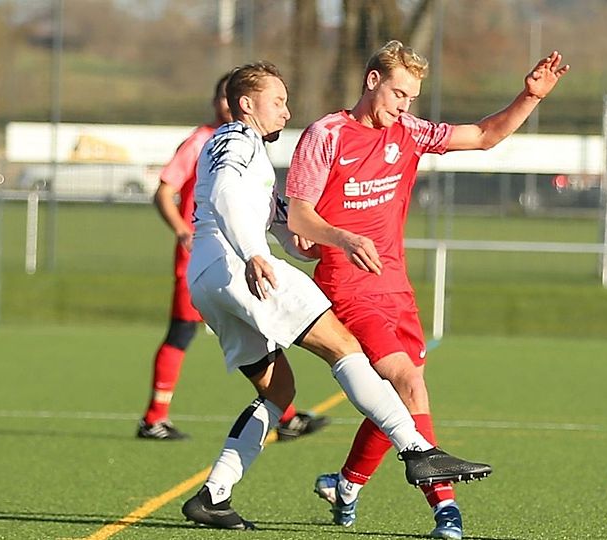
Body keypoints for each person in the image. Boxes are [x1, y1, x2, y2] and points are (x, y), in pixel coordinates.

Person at [179, 61, 491, 531]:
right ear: (246, 104)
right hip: (237, 268)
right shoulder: (237, 140)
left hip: (207, 282)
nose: (286, 111)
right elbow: (225, 196)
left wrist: (291, 238)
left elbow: (264, 209)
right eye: (278, 101)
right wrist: (254, 254)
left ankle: (213, 495)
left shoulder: (241, 149)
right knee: (344, 348)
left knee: (279, 391)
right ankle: (418, 451)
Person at [286, 40, 569, 539]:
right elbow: (300, 214)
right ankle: (446, 511)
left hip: (396, 288)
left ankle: (345, 485)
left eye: (412, 98)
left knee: (399, 394)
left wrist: (530, 97)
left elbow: (483, 136)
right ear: (372, 81)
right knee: (409, 384)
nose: (404, 105)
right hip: (347, 288)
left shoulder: (409, 132)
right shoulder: (325, 135)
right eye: (398, 93)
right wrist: (343, 236)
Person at [137, 72, 329, 442]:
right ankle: (154, 417)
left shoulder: (248, 142)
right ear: (223, 102)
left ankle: (285, 414)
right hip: (209, 256)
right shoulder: (203, 141)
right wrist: (182, 231)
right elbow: (165, 191)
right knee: (182, 332)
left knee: (258, 328)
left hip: (237, 257)